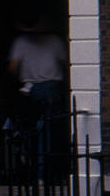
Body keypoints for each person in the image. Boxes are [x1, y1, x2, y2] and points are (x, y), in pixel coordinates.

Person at [8, 13, 68, 178]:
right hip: (52, 87)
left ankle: (29, 163)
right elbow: (66, 63)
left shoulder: (20, 41)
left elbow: (13, 67)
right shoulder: (56, 41)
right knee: (50, 130)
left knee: (28, 128)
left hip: (29, 89)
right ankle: (48, 171)